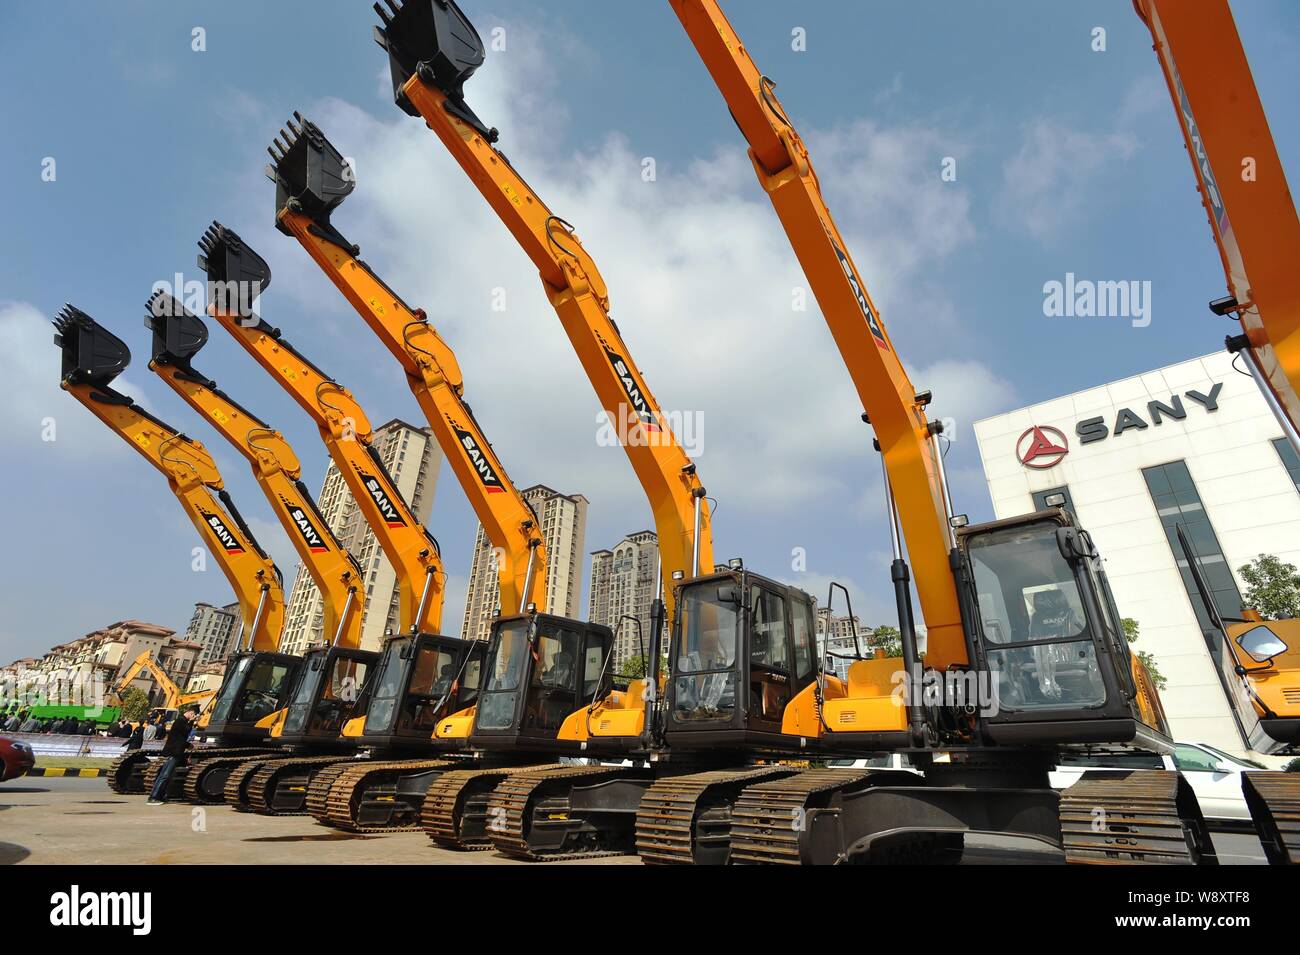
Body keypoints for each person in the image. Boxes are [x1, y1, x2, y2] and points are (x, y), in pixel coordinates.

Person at [147, 705, 199, 805]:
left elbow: (179, 737)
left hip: (175, 750)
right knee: (165, 775)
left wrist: (187, 745)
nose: (193, 716)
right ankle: (153, 797)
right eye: (193, 714)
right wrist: (192, 722)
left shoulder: (181, 721)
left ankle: (160, 796)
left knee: (167, 775)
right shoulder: (181, 721)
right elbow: (184, 733)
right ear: (191, 712)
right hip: (174, 751)